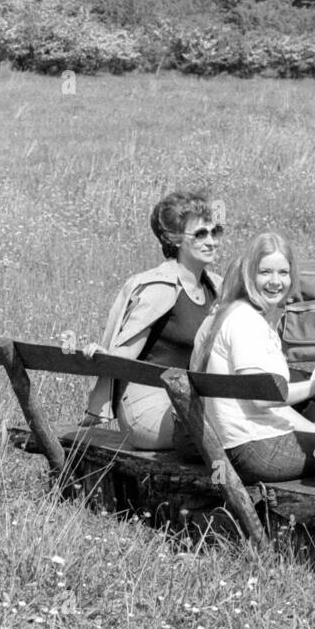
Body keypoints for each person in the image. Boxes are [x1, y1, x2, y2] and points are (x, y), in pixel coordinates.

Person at [83, 189, 224, 450]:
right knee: (228, 426)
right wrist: (103, 354)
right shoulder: (159, 286)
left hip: (191, 401)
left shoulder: (216, 287)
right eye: (201, 234)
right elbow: (122, 355)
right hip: (147, 407)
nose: (212, 241)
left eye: (215, 232)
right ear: (175, 239)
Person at [189, 232, 315, 482]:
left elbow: (271, 407)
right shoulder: (246, 322)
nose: (276, 281)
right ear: (249, 275)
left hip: (231, 444)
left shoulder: (227, 315)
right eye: (265, 272)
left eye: (283, 273)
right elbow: (264, 398)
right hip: (254, 449)